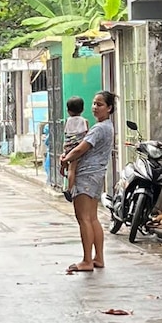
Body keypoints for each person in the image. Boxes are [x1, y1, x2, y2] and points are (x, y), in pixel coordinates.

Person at [64, 89, 115, 272]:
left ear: (109, 108)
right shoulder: (107, 127)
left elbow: (79, 150)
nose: (95, 107)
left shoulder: (99, 128)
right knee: (92, 218)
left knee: (83, 218)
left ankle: (87, 260)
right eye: (94, 103)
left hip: (86, 175)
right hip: (97, 174)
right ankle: (98, 257)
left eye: (99, 104)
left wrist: (66, 159)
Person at [61, 96, 89, 195]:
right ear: (82, 109)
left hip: (68, 147)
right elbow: (87, 136)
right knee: (72, 169)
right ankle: (69, 189)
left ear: (68, 110)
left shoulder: (67, 121)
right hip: (78, 148)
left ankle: (65, 179)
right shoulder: (84, 121)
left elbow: (66, 134)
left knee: (69, 168)